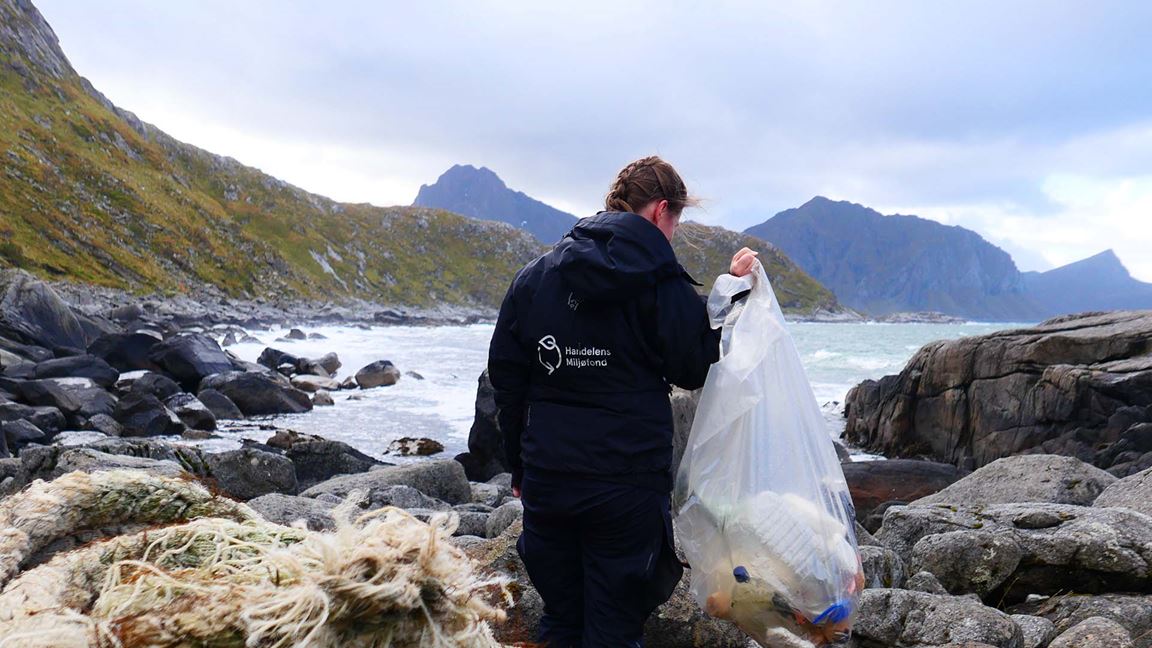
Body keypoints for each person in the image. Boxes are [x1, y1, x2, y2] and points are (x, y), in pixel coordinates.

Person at [487, 156, 758, 647]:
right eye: (676, 219)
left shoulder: (536, 277)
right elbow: (692, 366)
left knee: (563, 618)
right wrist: (730, 293)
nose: (674, 232)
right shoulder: (661, 282)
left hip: (550, 477)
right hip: (625, 483)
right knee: (613, 626)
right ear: (659, 212)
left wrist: (520, 468)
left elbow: (507, 380)